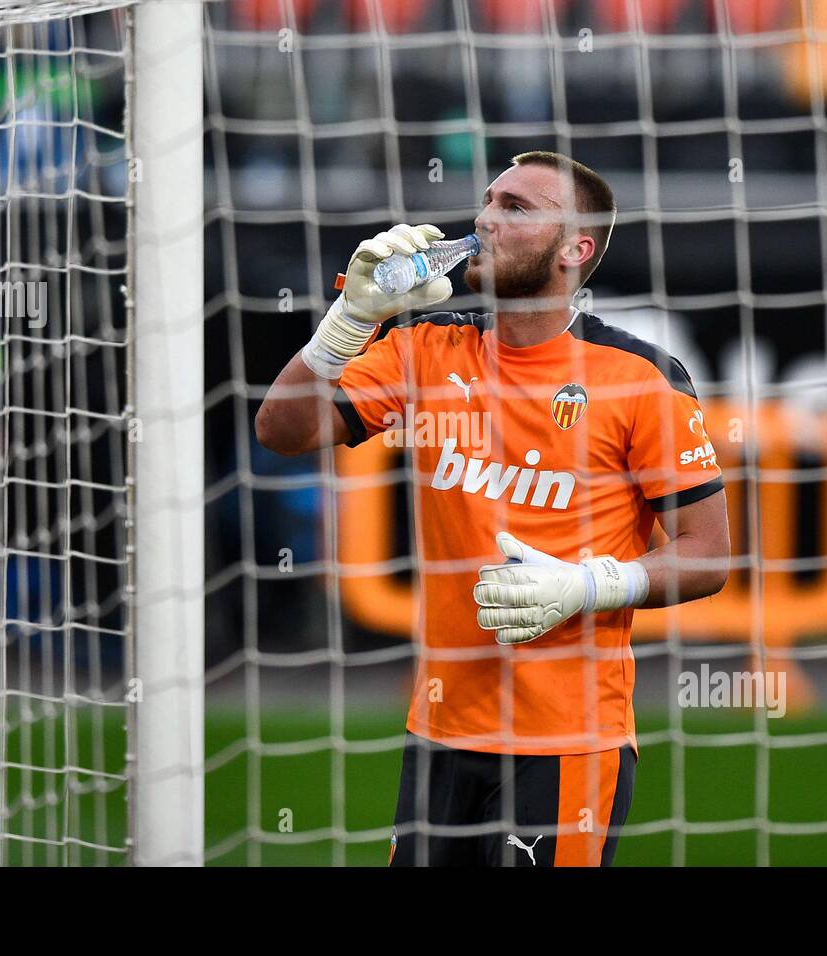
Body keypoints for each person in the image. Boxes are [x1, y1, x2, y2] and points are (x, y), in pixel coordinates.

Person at [255, 150, 730, 866]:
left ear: (576, 249)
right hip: (440, 731)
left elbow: (709, 553)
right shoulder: (425, 348)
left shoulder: (640, 379)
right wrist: (348, 319)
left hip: (568, 741)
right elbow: (283, 430)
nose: (484, 219)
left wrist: (586, 586)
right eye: (487, 201)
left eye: (516, 208)